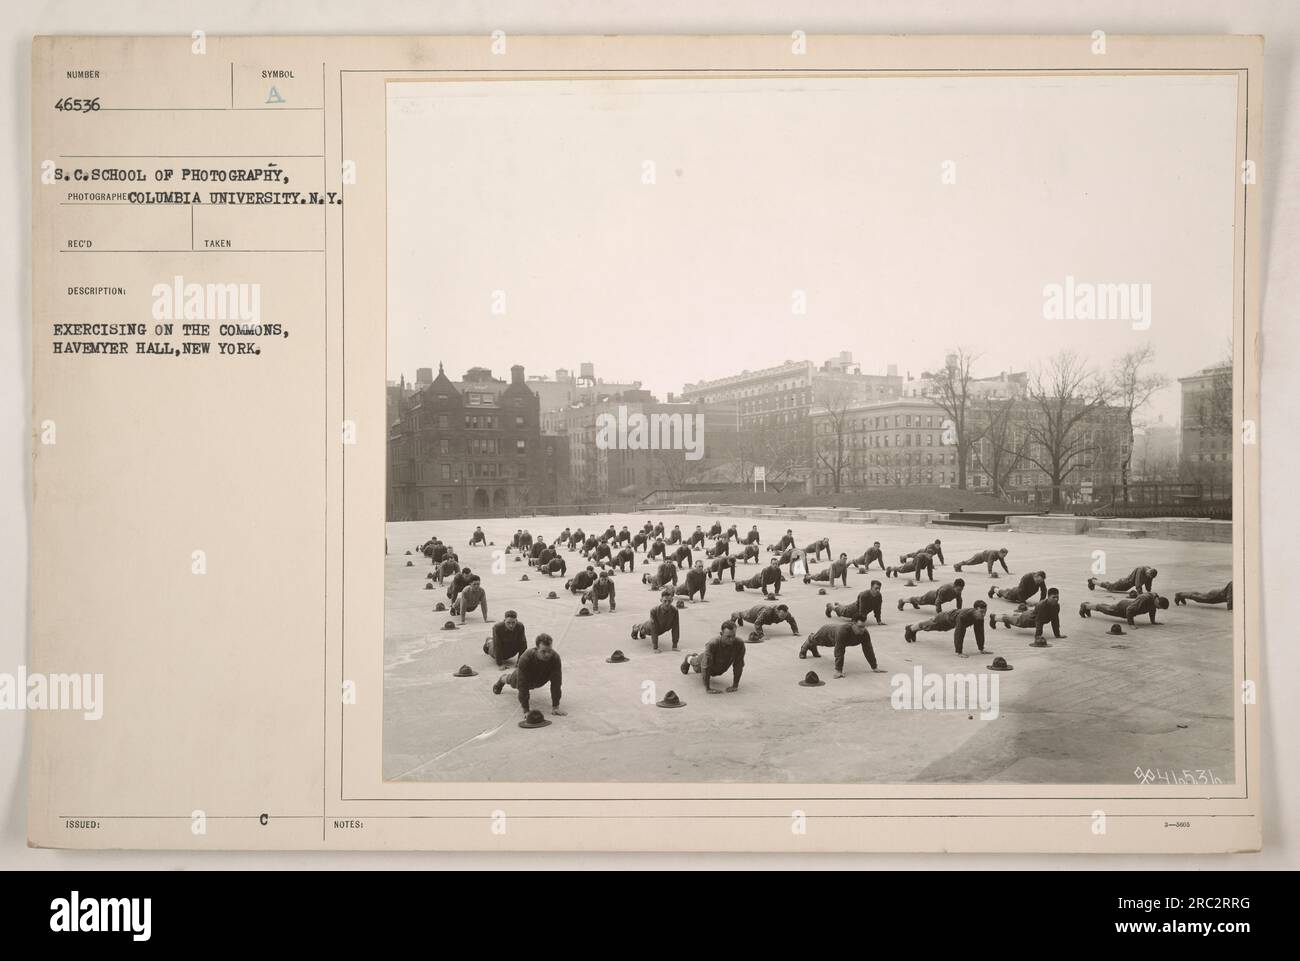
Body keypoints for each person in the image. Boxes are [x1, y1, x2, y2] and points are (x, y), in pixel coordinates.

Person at [493, 634, 564, 716]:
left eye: (549, 651)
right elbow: (522, 685)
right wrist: (526, 710)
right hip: (525, 677)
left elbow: (556, 684)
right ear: (536, 649)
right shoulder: (526, 658)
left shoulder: (555, 658)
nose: (547, 654)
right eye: (543, 651)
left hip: (541, 678)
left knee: (555, 679)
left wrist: (556, 707)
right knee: (513, 682)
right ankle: (503, 678)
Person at [799, 615, 883, 678]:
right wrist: (838, 670)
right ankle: (805, 645)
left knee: (819, 643)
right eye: (860, 627)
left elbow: (868, 649)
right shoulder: (843, 631)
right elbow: (839, 650)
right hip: (827, 632)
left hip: (837, 636)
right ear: (853, 624)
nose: (862, 629)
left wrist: (874, 666)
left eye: (864, 626)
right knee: (815, 640)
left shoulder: (864, 633)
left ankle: (813, 647)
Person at [680, 621, 745, 693]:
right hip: (702, 662)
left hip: (719, 666)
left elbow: (738, 665)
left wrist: (735, 685)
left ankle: (695, 656)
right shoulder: (712, 644)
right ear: (721, 634)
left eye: (733, 636)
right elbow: (705, 666)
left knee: (714, 669)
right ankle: (688, 658)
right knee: (696, 667)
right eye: (728, 637)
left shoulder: (739, 644)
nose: (731, 639)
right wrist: (708, 688)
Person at [903, 602, 990, 656]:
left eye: (985, 612)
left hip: (951, 623)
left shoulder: (979, 618)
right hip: (944, 618)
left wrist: (981, 649)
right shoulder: (964, 616)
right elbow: (959, 633)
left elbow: (979, 632)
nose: (983, 615)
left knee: (929, 627)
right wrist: (959, 652)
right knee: (928, 625)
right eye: (981, 612)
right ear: (975, 610)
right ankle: (910, 628)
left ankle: (914, 629)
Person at [991, 587, 1066, 642]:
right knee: (1011, 620)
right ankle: (994, 617)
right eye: (1053, 597)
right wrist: (1038, 636)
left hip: (1030, 613)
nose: (1056, 599)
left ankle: (1004, 616)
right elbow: (1039, 621)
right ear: (1048, 597)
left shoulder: (1056, 606)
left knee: (1013, 617)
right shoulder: (1042, 605)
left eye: (1057, 597)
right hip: (1027, 619)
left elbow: (1055, 620)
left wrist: (1057, 635)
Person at [1079, 592, 1169, 625]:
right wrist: (1131, 624)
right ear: (1157, 602)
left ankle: (1088, 606)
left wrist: (1153, 622)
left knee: (1106, 607)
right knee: (1105, 609)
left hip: (1125, 606)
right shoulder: (1145, 599)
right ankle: (1085, 605)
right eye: (1159, 607)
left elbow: (1152, 610)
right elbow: (1129, 610)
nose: (1158, 609)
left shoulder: (1153, 601)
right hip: (1123, 608)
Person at [731, 602, 800, 638]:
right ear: (777, 611)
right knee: (745, 616)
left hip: (764, 613)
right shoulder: (767, 612)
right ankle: (735, 615)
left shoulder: (786, 614)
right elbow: (757, 623)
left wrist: (795, 631)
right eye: (782, 616)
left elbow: (792, 621)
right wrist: (761, 635)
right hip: (756, 611)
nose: (783, 618)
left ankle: (739, 617)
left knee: (745, 615)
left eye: (785, 616)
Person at [898, 578, 964, 613]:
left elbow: (959, 600)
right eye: (959, 589)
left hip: (937, 598)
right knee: (919, 601)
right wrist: (940, 614)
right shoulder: (945, 589)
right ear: (954, 586)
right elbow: (938, 602)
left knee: (918, 600)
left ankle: (914, 602)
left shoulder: (958, 590)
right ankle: (902, 600)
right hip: (931, 597)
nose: (960, 591)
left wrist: (959, 611)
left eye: (961, 589)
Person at [1088, 565, 1158, 594]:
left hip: (1127, 585)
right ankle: (1092, 581)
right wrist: (1141, 594)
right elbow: (1138, 584)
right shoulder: (1141, 570)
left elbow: (1148, 583)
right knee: (1109, 587)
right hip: (1124, 583)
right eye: (1149, 576)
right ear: (1149, 572)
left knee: (1110, 585)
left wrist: (1149, 591)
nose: (1148, 578)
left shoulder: (1150, 573)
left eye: (1150, 577)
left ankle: (1094, 580)